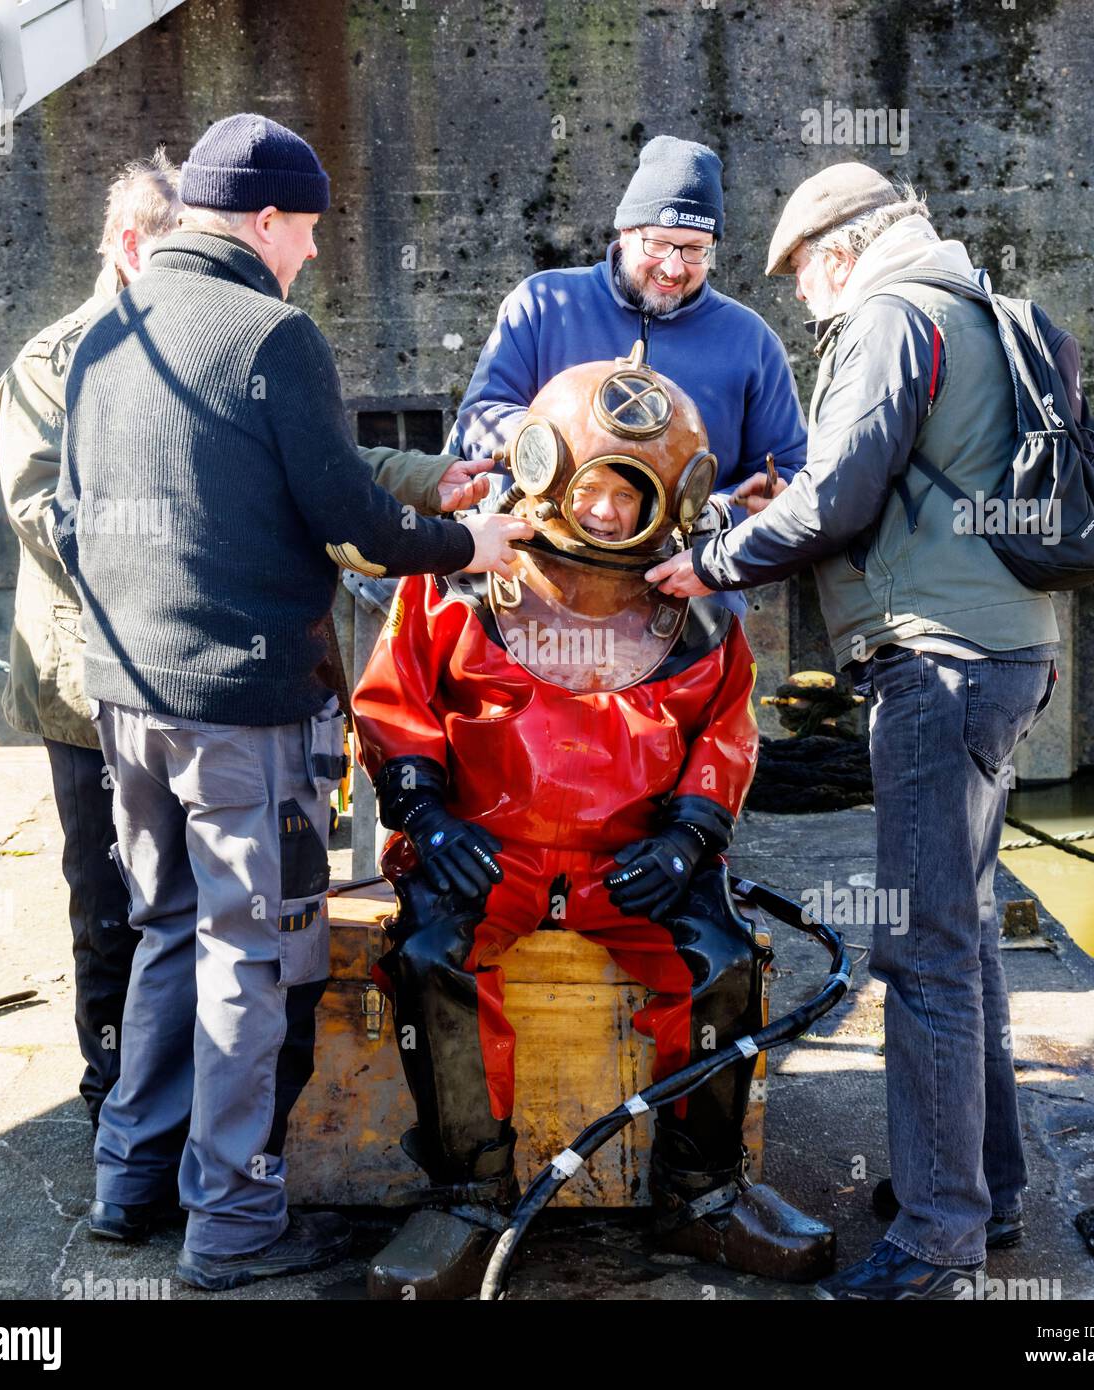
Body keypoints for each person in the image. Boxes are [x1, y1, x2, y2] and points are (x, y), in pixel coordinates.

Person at [51, 112, 531, 1291]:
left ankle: (129, 1182)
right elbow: (354, 521)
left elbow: (68, 520)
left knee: (164, 928)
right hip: (242, 707)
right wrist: (476, 539)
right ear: (264, 219)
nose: (312, 253)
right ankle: (231, 1226)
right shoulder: (273, 335)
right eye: (307, 230)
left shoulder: (103, 329)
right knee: (251, 960)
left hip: (125, 699)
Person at [647, 163, 1059, 1299]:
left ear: (837, 253)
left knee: (920, 952)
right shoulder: (974, 303)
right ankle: (990, 1188)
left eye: (803, 284)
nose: (809, 305)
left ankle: (937, 1243)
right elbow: (889, 478)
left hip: (933, 663)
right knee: (963, 933)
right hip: (1010, 646)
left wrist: (713, 559)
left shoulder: (885, 314)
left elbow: (839, 499)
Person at [351, 343, 835, 1299]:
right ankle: (466, 1196)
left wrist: (691, 837)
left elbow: (726, 735)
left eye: (633, 495)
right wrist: (427, 816)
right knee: (425, 958)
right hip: (493, 848)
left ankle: (703, 1194)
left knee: (725, 962)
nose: (610, 513)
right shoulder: (462, 576)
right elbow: (394, 700)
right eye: (598, 488)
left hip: (634, 856)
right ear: (547, 471)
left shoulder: (694, 607)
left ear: (676, 497)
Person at [0, 150, 182, 1131]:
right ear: (135, 246)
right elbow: (42, 511)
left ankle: (176, 1090)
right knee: (107, 899)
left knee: (187, 905)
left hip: (187, 681)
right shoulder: (50, 365)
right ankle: (109, 1093)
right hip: (86, 686)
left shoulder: (193, 342)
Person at [450, 134, 808, 527]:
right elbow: (479, 420)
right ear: (625, 233)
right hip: (537, 564)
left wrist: (717, 514)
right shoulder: (543, 303)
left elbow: (788, 471)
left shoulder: (751, 341)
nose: (673, 269)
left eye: (695, 250)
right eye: (658, 244)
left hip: (693, 574)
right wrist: (566, 445)